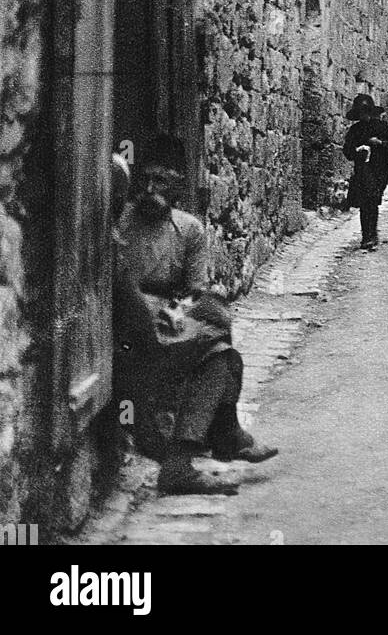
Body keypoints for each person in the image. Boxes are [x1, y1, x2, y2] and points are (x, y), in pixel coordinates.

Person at [113, 132, 278, 495]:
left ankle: (204, 447)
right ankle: (223, 437)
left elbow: (193, 290)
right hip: (128, 322)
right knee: (219, 347)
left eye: (161, 182)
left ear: (177, 186)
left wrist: (180, 309)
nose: (150, 189)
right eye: (145, 180)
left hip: (167, 316)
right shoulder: (121, 222)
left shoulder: (188, 229)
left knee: (219, 334)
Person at [343, 94, 388, 250]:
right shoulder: (355, 130)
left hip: (379, 170)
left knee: (372, 201)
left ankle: (371, 233)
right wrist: (357, 151)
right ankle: (367, 235)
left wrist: (379, 143)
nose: (364, 116)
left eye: (366, 112)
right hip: (362, 171)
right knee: (365, 202)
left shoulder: (381, 127)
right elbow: (347, 151)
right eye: (361, 113)